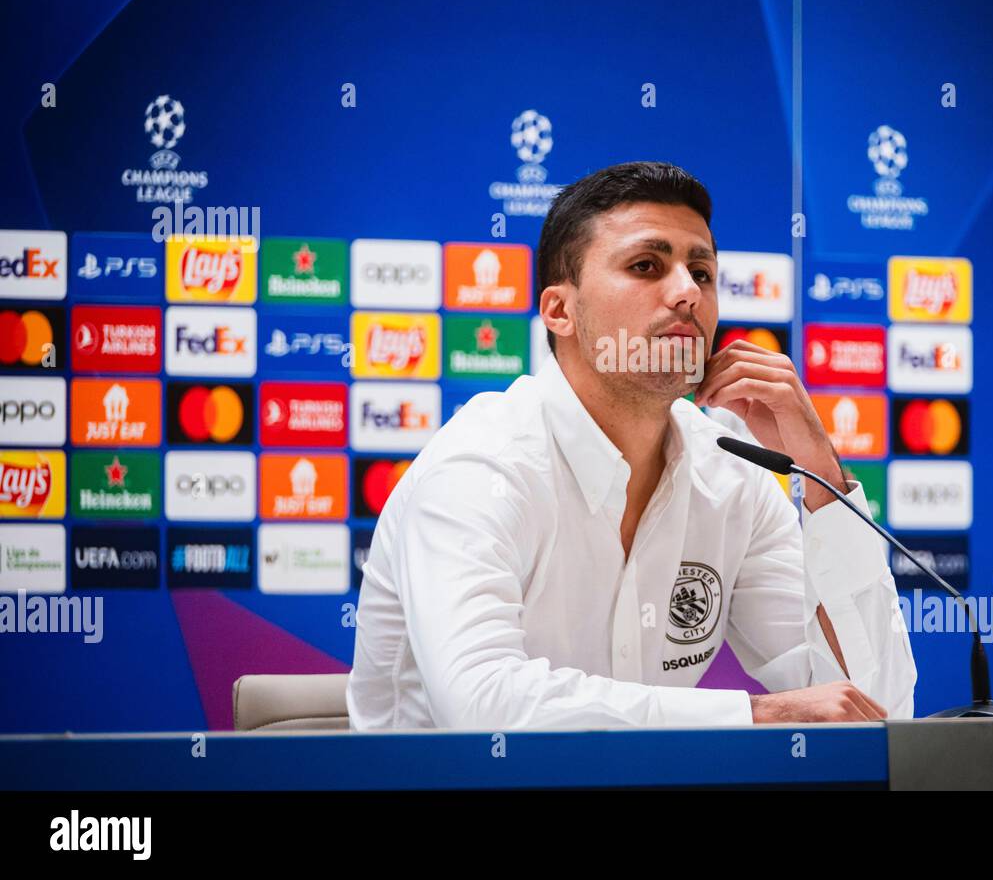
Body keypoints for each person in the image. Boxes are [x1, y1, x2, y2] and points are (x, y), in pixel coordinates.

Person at [347, 161, 916, 729]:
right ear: (560, 311)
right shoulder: (482, 466)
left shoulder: (731, 473)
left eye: (701, 272)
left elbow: (875, 706)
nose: (687, 293)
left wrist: (820, 470)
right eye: (647, 266)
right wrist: (754, 714)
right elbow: (481, 705)